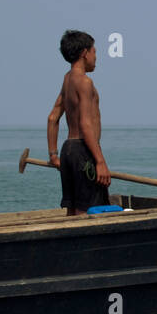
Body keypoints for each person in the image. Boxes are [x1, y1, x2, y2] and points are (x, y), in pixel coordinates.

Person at [47, 30, 111, 214]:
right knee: (89, 210)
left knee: (73, 209)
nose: (96, 57)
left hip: (68, 151)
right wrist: (100, 161)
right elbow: (85, 124)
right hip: (83, 151)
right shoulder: (84, 82)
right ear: (85, 53)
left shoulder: (68, 79)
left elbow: (53, 118)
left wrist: (53, 155)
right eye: (94, 52)